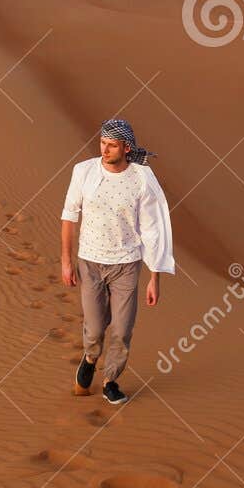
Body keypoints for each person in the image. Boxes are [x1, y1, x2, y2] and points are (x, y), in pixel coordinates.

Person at [59, 118, 175, 405]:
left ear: (126, 147)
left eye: (112, 145)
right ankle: (89, 358)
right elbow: (69, 215)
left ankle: (111, 380)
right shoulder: (84, 171)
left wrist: (154, 276)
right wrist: (66, 260)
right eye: (102, 143)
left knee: (122, 330)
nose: (105, 150)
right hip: (90, 261)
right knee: (96, 328)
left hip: (126, 262)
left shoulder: (141, 178)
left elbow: (153, 228)